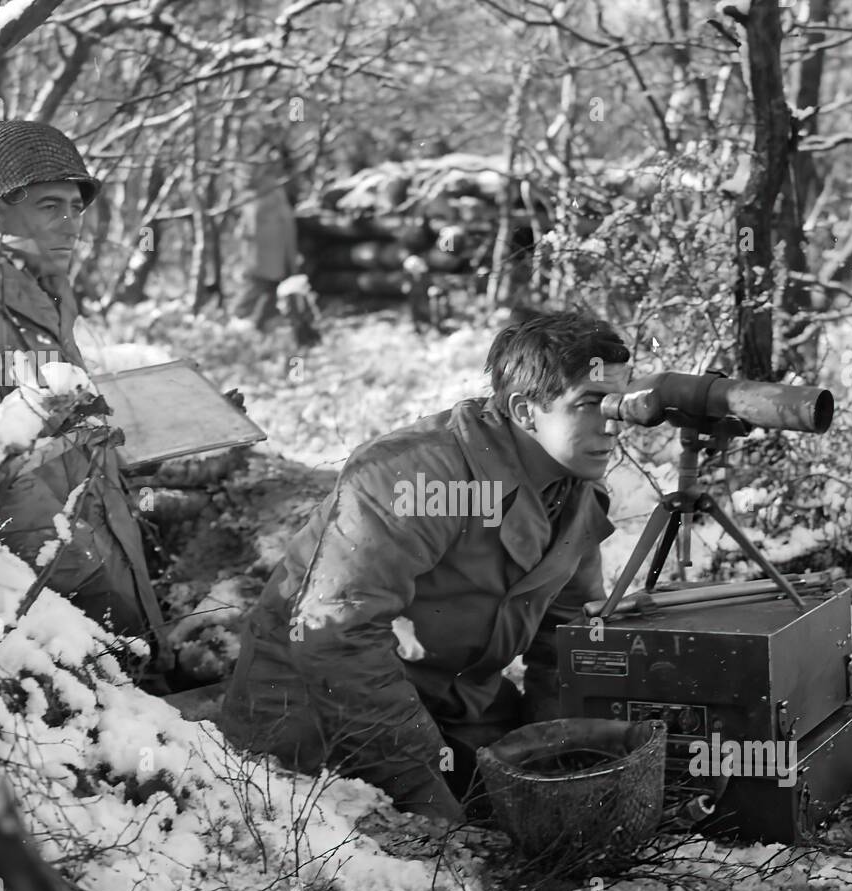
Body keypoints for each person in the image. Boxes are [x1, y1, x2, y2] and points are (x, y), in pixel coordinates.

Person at [219, 311, 632, 822]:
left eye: (619, 402)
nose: (612, 423)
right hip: (318, 707)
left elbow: (563, 643)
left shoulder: (577, 492)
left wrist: (558, 759)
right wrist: (420, 786)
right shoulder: (420, 476)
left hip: (455, 703)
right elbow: (334, 636)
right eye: (590, 403)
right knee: (428, 854)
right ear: (526, 411)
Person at [0, 120, 164, 658]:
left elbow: (62, 421)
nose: (71, 225)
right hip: (39, 597)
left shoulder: (41, 289)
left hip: (91, 552)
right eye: (49, 206)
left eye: (75, 206)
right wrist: (89, 578)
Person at [232, 157, 299, 331]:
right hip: (265, 254)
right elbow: (284, 224)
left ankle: (258, 324)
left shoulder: (263, 193)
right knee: (258, 287)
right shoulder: (264, 194)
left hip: (266, 253)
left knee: (267, 289)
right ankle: (241, 320)